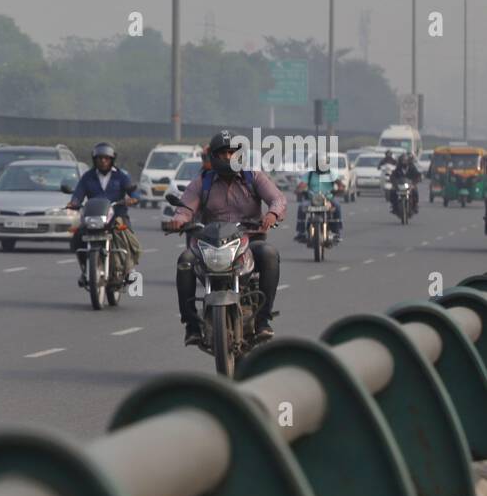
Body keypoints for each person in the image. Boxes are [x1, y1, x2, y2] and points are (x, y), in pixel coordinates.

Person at [164, 130, 287, 345]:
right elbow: (185, 208)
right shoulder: (203, 182)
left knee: (269, 254)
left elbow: (277, 198)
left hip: (249, 240)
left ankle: (263, 320)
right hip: (211, 244)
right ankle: (192, 325)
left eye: (233, 152)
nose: (229, 157)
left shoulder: (253, 176)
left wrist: (272, 213)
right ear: (214, 156)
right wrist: (179, 219)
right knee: (185, 261)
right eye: (224, 153)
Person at [66, 141, 141, 285]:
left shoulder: (121, 176)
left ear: (112, 160)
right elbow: (78, 194)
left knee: (127, 237)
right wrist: (74, 202)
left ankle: (129, 269)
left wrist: (133, 199)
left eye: (106, 158)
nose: (103, 161)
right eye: (100, 158)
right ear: (95, 160)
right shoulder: (88, 177)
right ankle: (85, 269)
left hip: (117, 215)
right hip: (93, 216)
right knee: (77, 237)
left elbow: (133, 191)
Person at [295, 153, 343, 244]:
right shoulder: (309, 174)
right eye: (320, 163)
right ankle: (300, 232)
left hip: (328, 199)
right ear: (315, 164)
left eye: (324, 163)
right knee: (301, 206)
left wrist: (339, 189)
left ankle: (337, 232)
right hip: (312, 199)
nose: (322, 165)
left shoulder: (331, 173)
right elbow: (302, 185)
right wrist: (299, 190)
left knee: (337, 205)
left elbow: (340, 185)